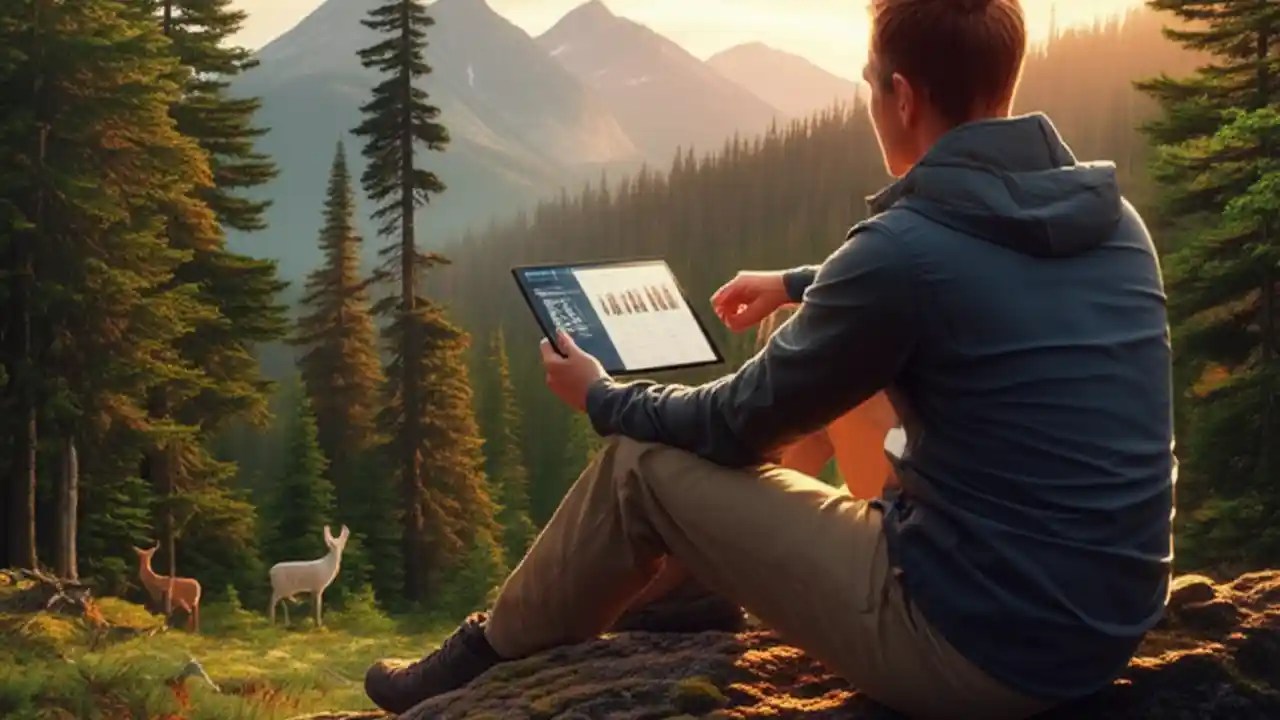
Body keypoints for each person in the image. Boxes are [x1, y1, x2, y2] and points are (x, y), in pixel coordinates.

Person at [363, 0, 1176, 717]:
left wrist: (602, 394)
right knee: (828, 374)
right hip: (1104, 624)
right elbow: (967, 281)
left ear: (901, 96)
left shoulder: (904, 251)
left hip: (975, 652)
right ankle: (691, 595)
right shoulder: (1110, 221)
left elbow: (732, 421)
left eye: (870, 84)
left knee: (638, 465)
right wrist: (796, 284)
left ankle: (486, 657)